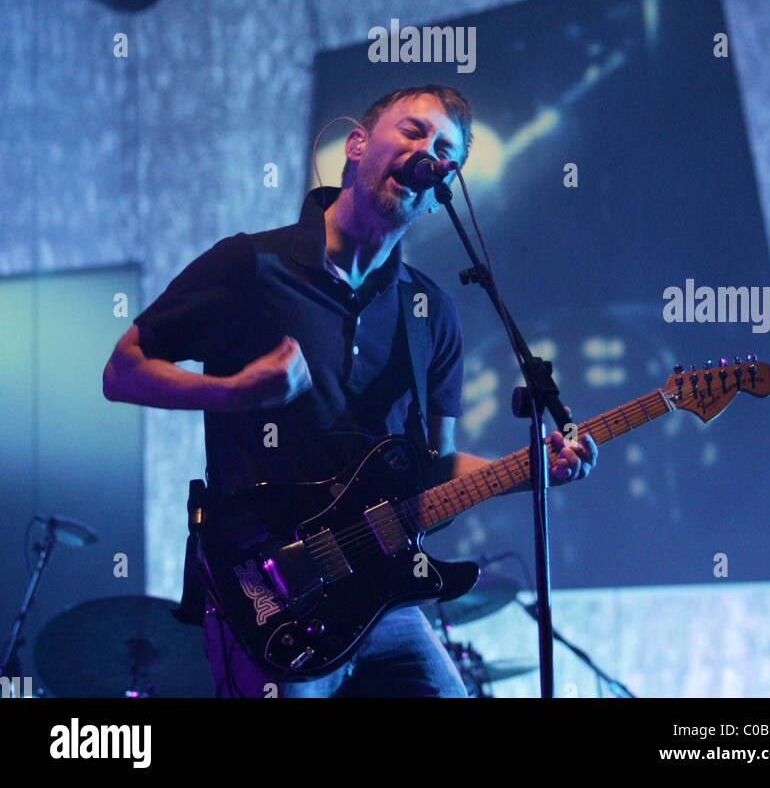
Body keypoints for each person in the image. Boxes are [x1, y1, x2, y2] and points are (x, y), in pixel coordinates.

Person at [103, 84, 598, 697]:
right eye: (414, 131)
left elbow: (434, 469)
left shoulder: (431, 312)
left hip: (378, 594)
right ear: (357, 144)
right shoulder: (250, 266)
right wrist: (232, 390)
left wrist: (526, 469)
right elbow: (121, 370)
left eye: (445, 149)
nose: (428, 152)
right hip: (267, 584)